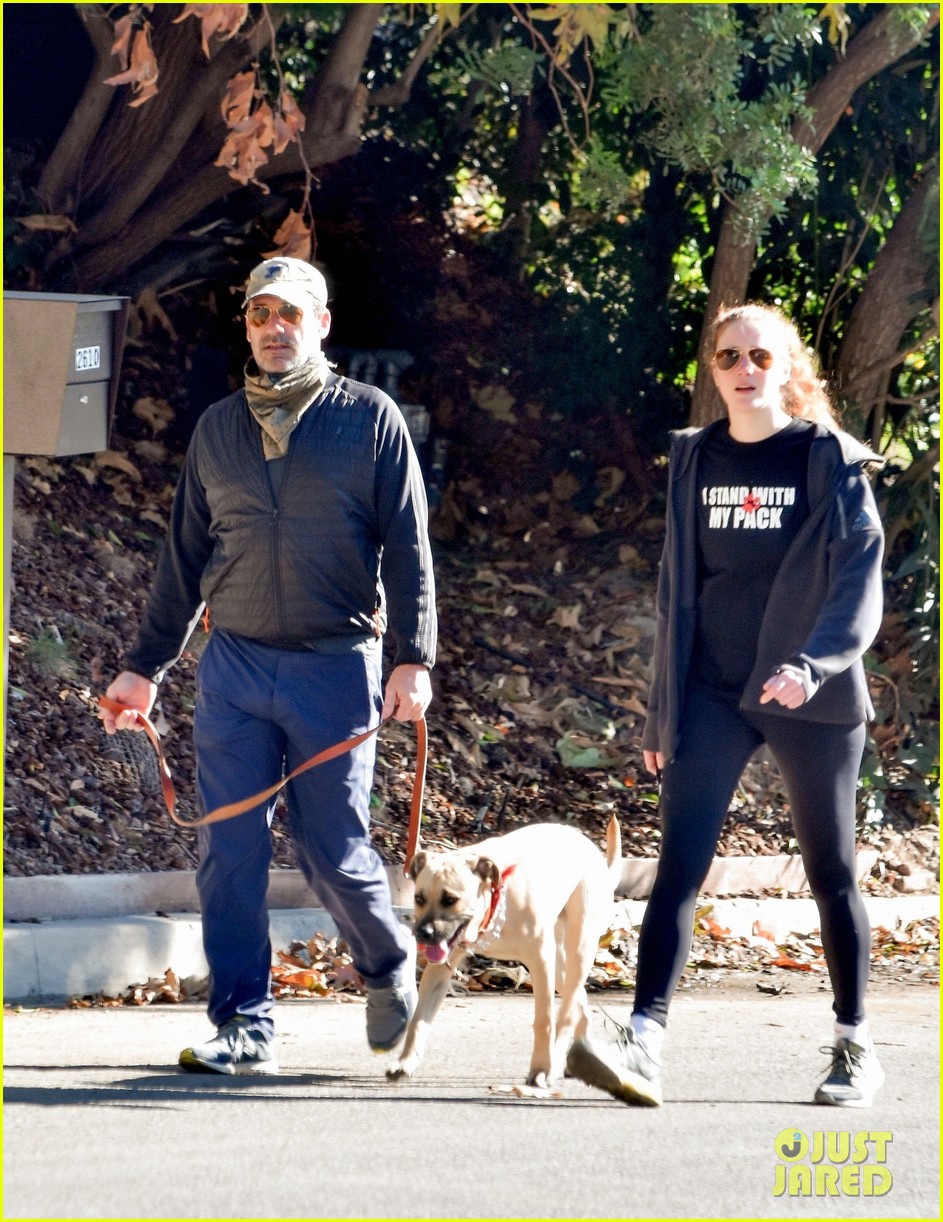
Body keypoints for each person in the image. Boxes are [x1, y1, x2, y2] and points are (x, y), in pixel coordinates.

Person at [100, 256, 437, 1075]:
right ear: (246, 327)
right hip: (236, 669)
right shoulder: (218, 428)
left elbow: (408, 545)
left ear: (321, 324)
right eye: (260, 314)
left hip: (336, 667)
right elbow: (184, 558)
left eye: (291, 313)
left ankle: (387, 962)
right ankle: (243, 1024)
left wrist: (413, 658)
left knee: (332, 851)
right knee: (230, 852)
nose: (274, 328)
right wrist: (145, 667)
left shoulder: (369, 418)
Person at [567, 302, 887, 1108]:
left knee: (830, 871)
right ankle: (643, 1040)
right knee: (677, 868)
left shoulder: (827, 458)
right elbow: (677, 588)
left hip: (806, 690)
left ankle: (852, 1043)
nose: (744, 370)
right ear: (711, 370)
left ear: (787, 367)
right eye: (727, 357)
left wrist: (813, 665)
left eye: (760, 356)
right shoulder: (694, 456)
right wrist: (662, 709)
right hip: (711, 691)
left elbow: (859, 575)